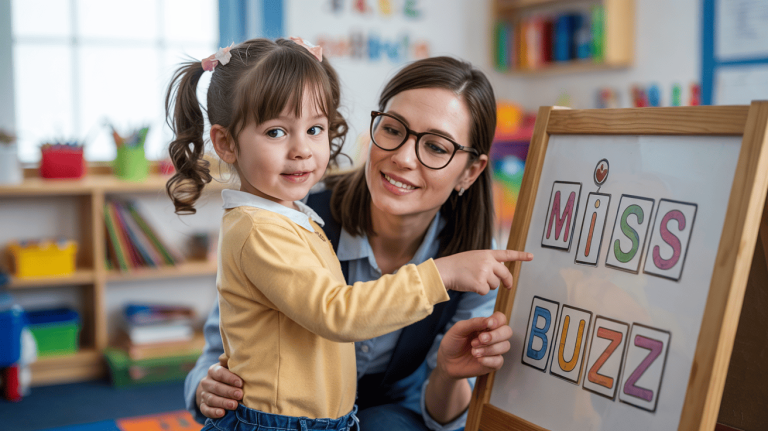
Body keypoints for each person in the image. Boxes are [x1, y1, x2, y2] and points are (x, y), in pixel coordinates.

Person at [167, 38, 531, 431]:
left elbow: (445, 419)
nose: (404, 158)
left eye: (436, 147)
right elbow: (225, 343)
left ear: (470, 172)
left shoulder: (475, 264)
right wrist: (204, 386)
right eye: (393, 129)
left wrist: (449, 371)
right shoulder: (292, 219)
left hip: (372, 416)